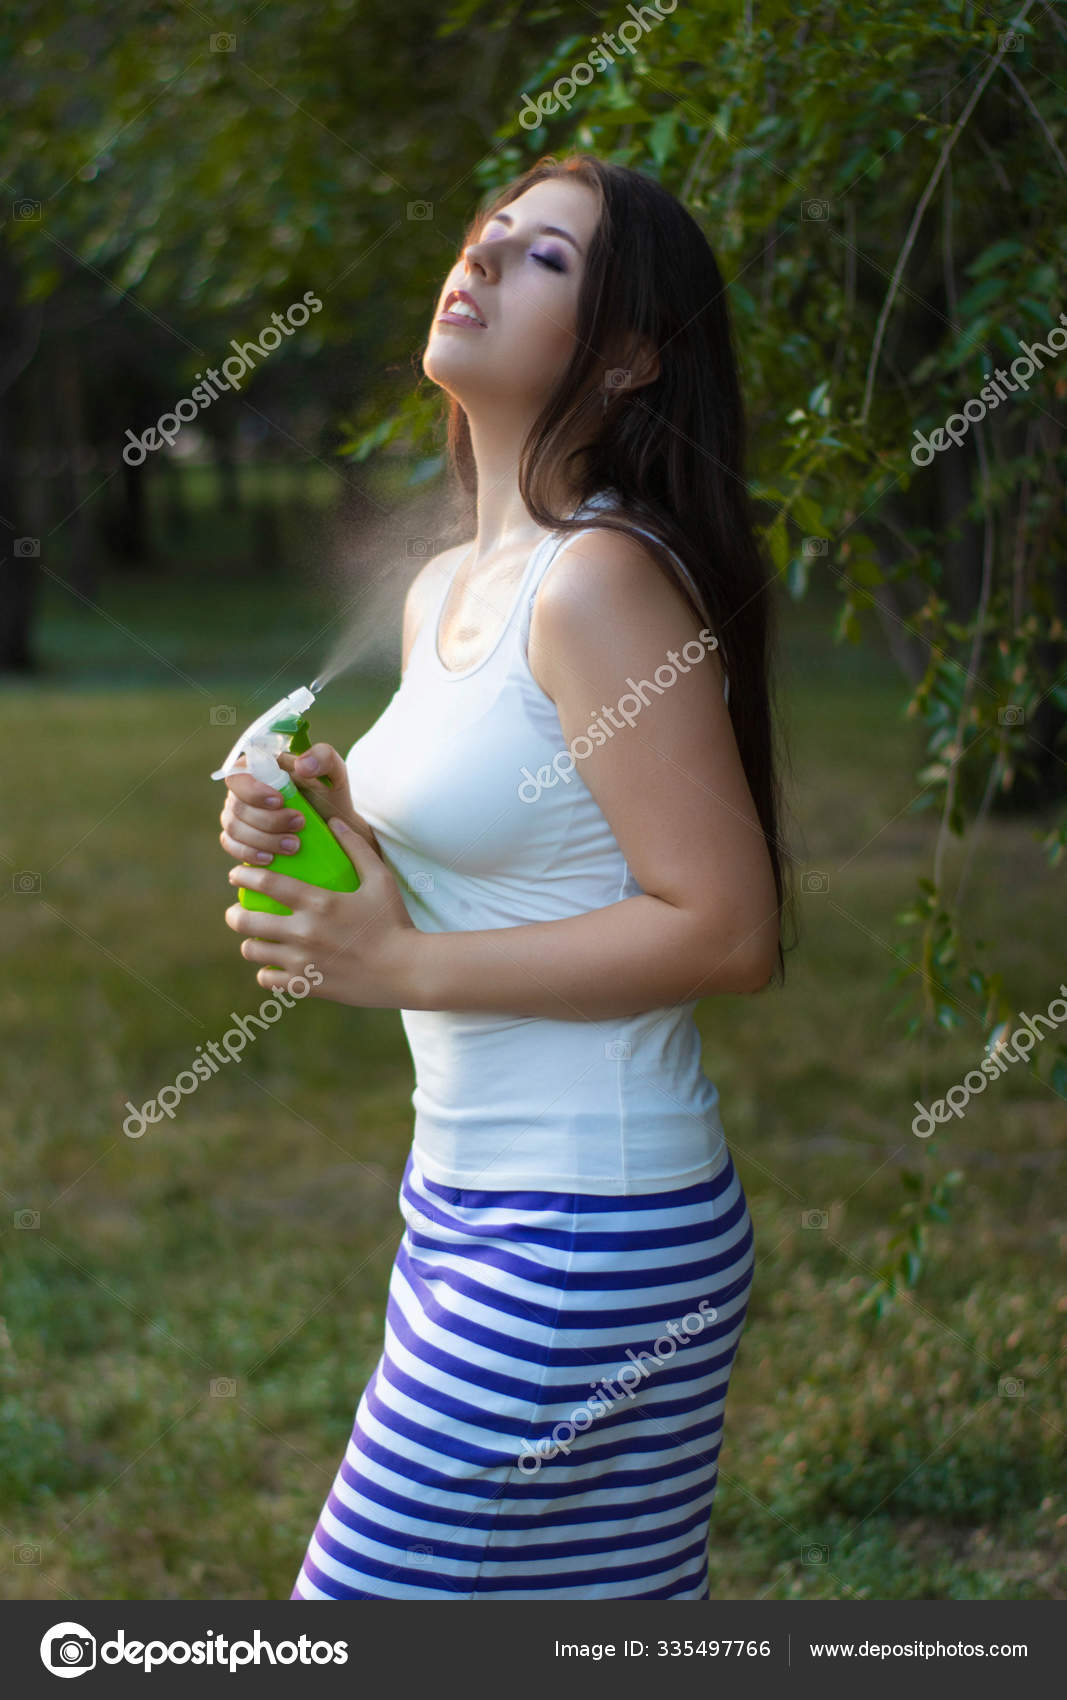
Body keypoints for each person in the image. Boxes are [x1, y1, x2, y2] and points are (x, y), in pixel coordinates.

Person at [219, 151, 794, 1600]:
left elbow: (726, 929)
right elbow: (520, 872)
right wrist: (334, 818)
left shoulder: (601, 583)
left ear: (632, 355)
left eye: (545, 259)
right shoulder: (446, 587)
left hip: (584, 1236)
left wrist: (401, 967)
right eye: (487, 235)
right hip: (470, 1203)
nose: (479, 262)